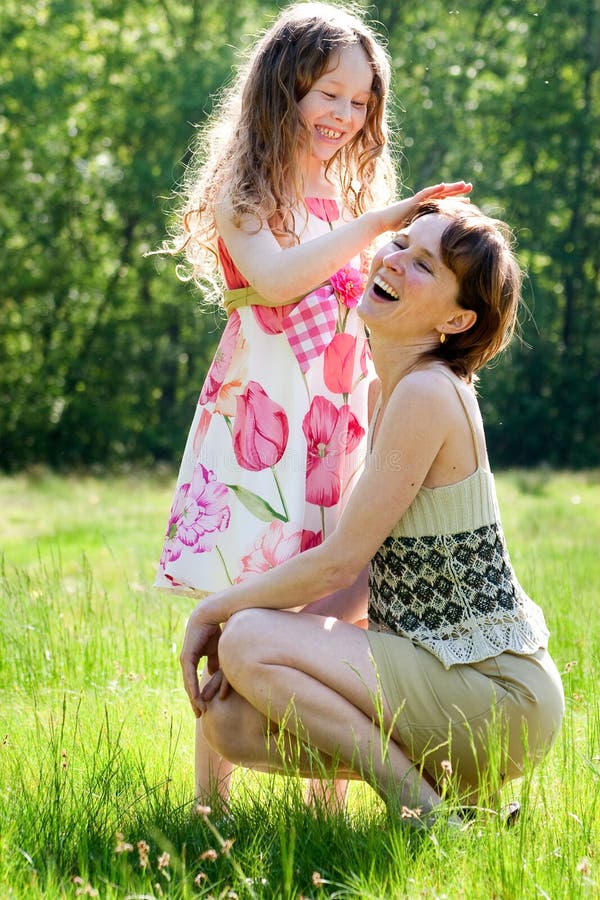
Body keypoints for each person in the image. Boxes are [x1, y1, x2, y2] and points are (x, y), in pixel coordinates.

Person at [155, 0, 471, 803]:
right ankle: (209, 803)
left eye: (361, 101)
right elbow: (281, 278)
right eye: (329, 93)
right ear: (282, 88)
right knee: (244, 612)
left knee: (336, 608)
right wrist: (378, 222)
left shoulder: (345, 194)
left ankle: (322, 803)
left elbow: (370, 327)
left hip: (338, 429)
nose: (344, 114)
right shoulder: (245, 192)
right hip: (262, 426)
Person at [179, 198, 565, 825]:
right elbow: (363, 578)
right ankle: (458, 801)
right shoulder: (388, 388)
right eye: (402, 243)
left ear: (458, 318)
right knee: (231, 719)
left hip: (500, 693)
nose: (394, 260)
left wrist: (215, 614)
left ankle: (423, 812)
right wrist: (272, 651)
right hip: (441, 678)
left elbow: (338, 562)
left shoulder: (427, 392)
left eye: (424, 265)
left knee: (247, 638)